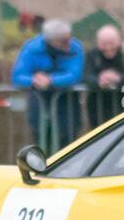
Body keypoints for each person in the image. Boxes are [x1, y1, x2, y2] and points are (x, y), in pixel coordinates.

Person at [11, 17, 85, 150]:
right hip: (40, 102)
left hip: (67, 103)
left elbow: (75, 74)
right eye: (63, 42)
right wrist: (33, 80)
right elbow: (17, 76)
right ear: (50, 41)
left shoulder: (76, 47)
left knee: (68, 142)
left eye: (69, 39)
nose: (68, 45)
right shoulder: (31, 48)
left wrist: (50, 81)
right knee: (42, 140)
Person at [83, 24, 124, 128]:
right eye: (103, 44)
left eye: (111, 43)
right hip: (98, 105)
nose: (108, 47)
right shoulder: (92, 55)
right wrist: (99, 81)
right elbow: (86, 76)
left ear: (119, 41)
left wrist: (117, 79)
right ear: (98, 43)